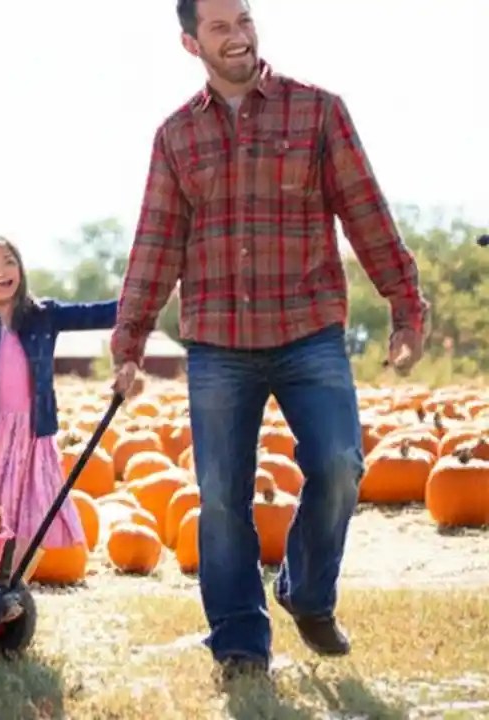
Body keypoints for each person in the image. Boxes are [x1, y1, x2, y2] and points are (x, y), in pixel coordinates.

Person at [109, 0, 428, 680]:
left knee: (341, 465)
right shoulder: (175, 138)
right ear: (191, 43)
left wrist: (405, 304)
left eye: (245, 20)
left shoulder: (317, 111)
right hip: (219, 342)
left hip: (308, 327)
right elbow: (156, 243)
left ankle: (308, 594)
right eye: (220, 26)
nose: (238, 35)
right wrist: (130, 339)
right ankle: (240, 646)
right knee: (222, 497)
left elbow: (366, 209)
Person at [0, 235, 119, 575]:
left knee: (33, 514)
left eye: (9, 262)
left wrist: (146, 300)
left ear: (20, 269)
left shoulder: (43, 316)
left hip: (30, 435)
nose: (1, 272)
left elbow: (99, 314)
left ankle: (12, 582)